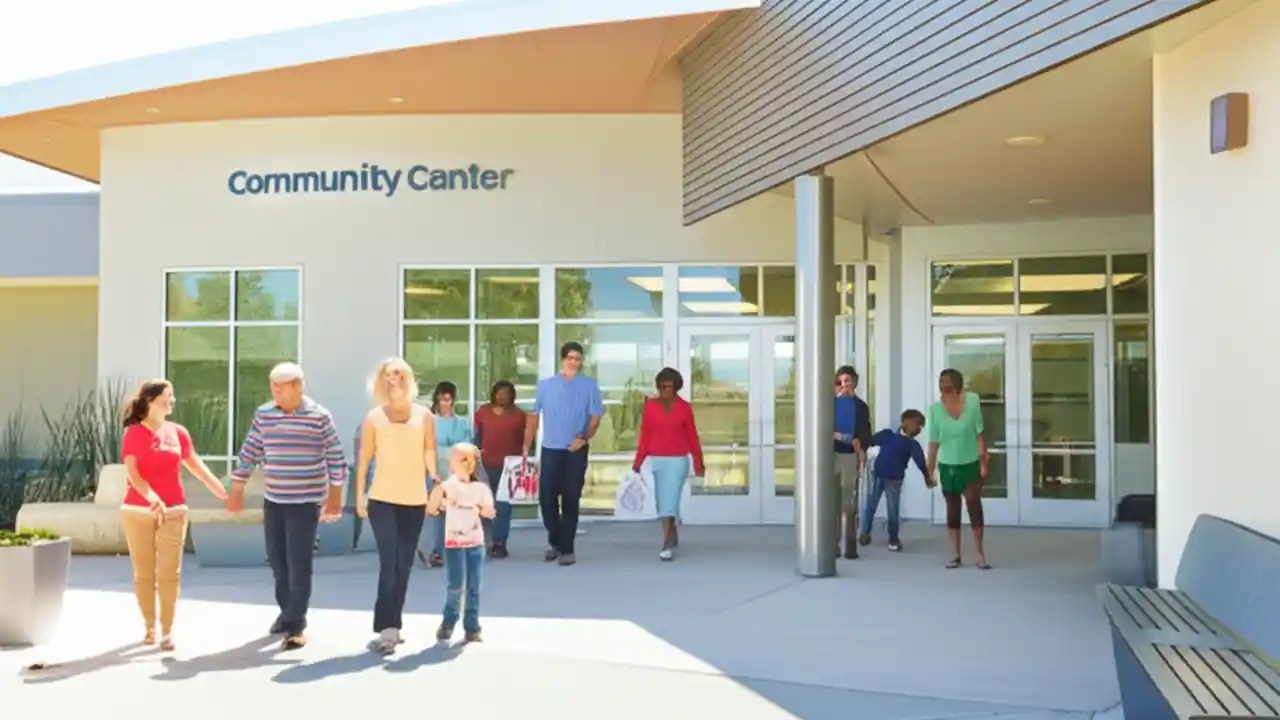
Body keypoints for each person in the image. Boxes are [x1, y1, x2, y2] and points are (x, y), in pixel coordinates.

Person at [228, 362, 347, 650]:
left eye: (281, 387)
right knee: (277, 560)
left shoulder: (319, 416)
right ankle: (287, 611)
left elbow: (335, 456)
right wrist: (237, 488)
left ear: (298, 386)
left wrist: (335, 497)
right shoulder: (264, 415)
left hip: (306, 501)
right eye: (273, 386)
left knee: (299, 563)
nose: (276, 392)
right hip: (275, 499)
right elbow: (250, 450)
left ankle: (296, 626)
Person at [119, 379, 228, 651]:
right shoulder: (134, 433)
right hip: (137, 511)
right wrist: (151, 497)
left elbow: (195, 464)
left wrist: (217, 486)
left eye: (173, 396)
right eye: (168, 396)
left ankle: (167, 631)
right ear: (151, 401)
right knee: (144, 573)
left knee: (170, 573)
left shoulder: (178, 432)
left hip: (174, 510)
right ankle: (150, 627)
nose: (172, 401)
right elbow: (133, 473)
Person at [355, 358, 438, 654]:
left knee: (403, 563)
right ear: (381, 381)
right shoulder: (374, 417)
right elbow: (364, 458)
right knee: (389, 560)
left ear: (409, 379)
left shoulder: (424, 415)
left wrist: (434, 477)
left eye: (400, 374)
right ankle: (386, 629)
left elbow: (429, 449)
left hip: (414, 499)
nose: (395, 379)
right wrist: (359, 495)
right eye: (389, 375)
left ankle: (394, 623)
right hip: (382, 500)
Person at [524, 341, 603, 567]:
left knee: (570, 498)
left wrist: (584, 438)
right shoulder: (546, 386)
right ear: (563, 359)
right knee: (546, 498)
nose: (574, 362)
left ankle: (567, 548)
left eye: (578, 358)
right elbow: (534, 416)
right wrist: (525, 447)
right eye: (570, 357)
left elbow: (596, 418)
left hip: (575, 450)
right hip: (551, 448)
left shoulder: (589, 386)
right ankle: (555, 541)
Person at [632, 367, 704, 561]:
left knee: (669, 500)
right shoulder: (651, 407)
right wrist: (638, 461)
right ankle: (672, 532)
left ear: (676, 388)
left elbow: (692, 436)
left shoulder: (684, 408)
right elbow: (645, 435)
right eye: (661, 386)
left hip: (678, 460)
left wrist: (699, 463)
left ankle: (667, 541)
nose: (664, 390)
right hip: (657, 459)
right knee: (663, 500)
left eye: (668, 387)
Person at [428, 442, 495, 643]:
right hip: (454, 542)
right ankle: (448, 622)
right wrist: (437, 496)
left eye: (461, 458)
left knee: (474, 584)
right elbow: (431, 508)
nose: (454, 462)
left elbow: (489, 511)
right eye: (454, 458)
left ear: (472, 462)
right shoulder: (447, 486)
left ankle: (472, 626)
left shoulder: (481, 488)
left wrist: (484, 510)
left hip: (475, 541)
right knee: (455, 585)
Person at [926, 368, 991, 570]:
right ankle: (955, 553)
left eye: (947, 383)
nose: (943, 387)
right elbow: (933, 442)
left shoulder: (972, 402)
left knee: (974, 506)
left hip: (970, 463)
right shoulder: (935, 410)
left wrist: (984, 462)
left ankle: (980, 553)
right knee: (952, 510)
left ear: (957, 385)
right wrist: (930, 469)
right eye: (941, 383)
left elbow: (979, 433)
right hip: (948, 466)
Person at [858, 409, 932, 552]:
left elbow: (921, 463)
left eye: (921, 427)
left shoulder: (912, 444)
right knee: (871, 505)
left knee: (892, 510)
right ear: (906, 422)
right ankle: (864, 533)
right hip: (878, 475)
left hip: (894, 480)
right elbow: (871, 440)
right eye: (918, 425)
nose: (919, 429)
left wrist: (927, 478)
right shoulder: (887, 435)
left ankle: (893, 539)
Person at [421, 380, 473, 568]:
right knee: (433, 511)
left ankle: (447, 549)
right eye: (443, 399)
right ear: (437, 398)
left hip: (454, 471)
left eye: (450, 400)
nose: (447, 403)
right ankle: (431, 550)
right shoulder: (428, 422)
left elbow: (467, 447)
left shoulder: (461, 423)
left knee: (453, 511)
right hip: (432, 470)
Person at [473, 380, 526, 558]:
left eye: (506, 393)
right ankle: (482, 541)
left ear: (512, 396)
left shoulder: (519, 416)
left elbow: (525, 441)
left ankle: (499, 542)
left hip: (509, 467)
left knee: (503, 507)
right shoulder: (483, 413)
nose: (502, 396)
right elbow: (477, 436)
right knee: (483, 504)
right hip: (485, 464)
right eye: (499, 392)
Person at [833, 366, 871, 559]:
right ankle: (832, 545)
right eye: (840, 382)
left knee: (849, 502)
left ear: (854, 382)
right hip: (831, 455)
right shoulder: (830, 404)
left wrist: (861, 447)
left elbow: (865, 432)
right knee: (832, 502)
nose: (844, 385)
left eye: (847, 381)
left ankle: (850, 546)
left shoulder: (861, 406)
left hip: (850, 456)